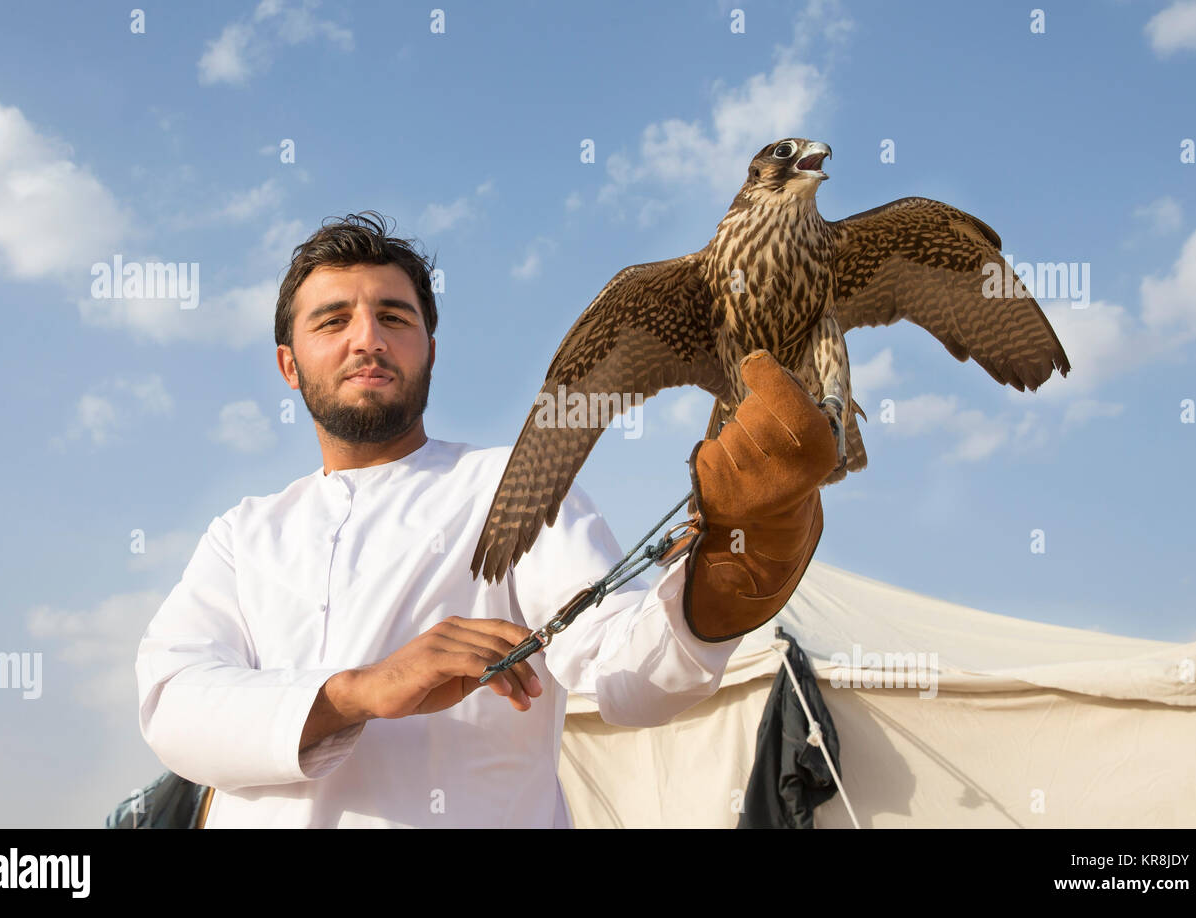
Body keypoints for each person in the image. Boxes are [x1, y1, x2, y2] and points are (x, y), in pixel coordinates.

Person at [135, 211, 836, 828]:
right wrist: (358, 691)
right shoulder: (244, 533)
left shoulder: (511, 482)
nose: (367, 338)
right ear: (289, 365)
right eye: (333, 320)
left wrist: (719, 592)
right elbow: (174, 704)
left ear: (430, 350)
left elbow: (626, 673)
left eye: (395, 316)